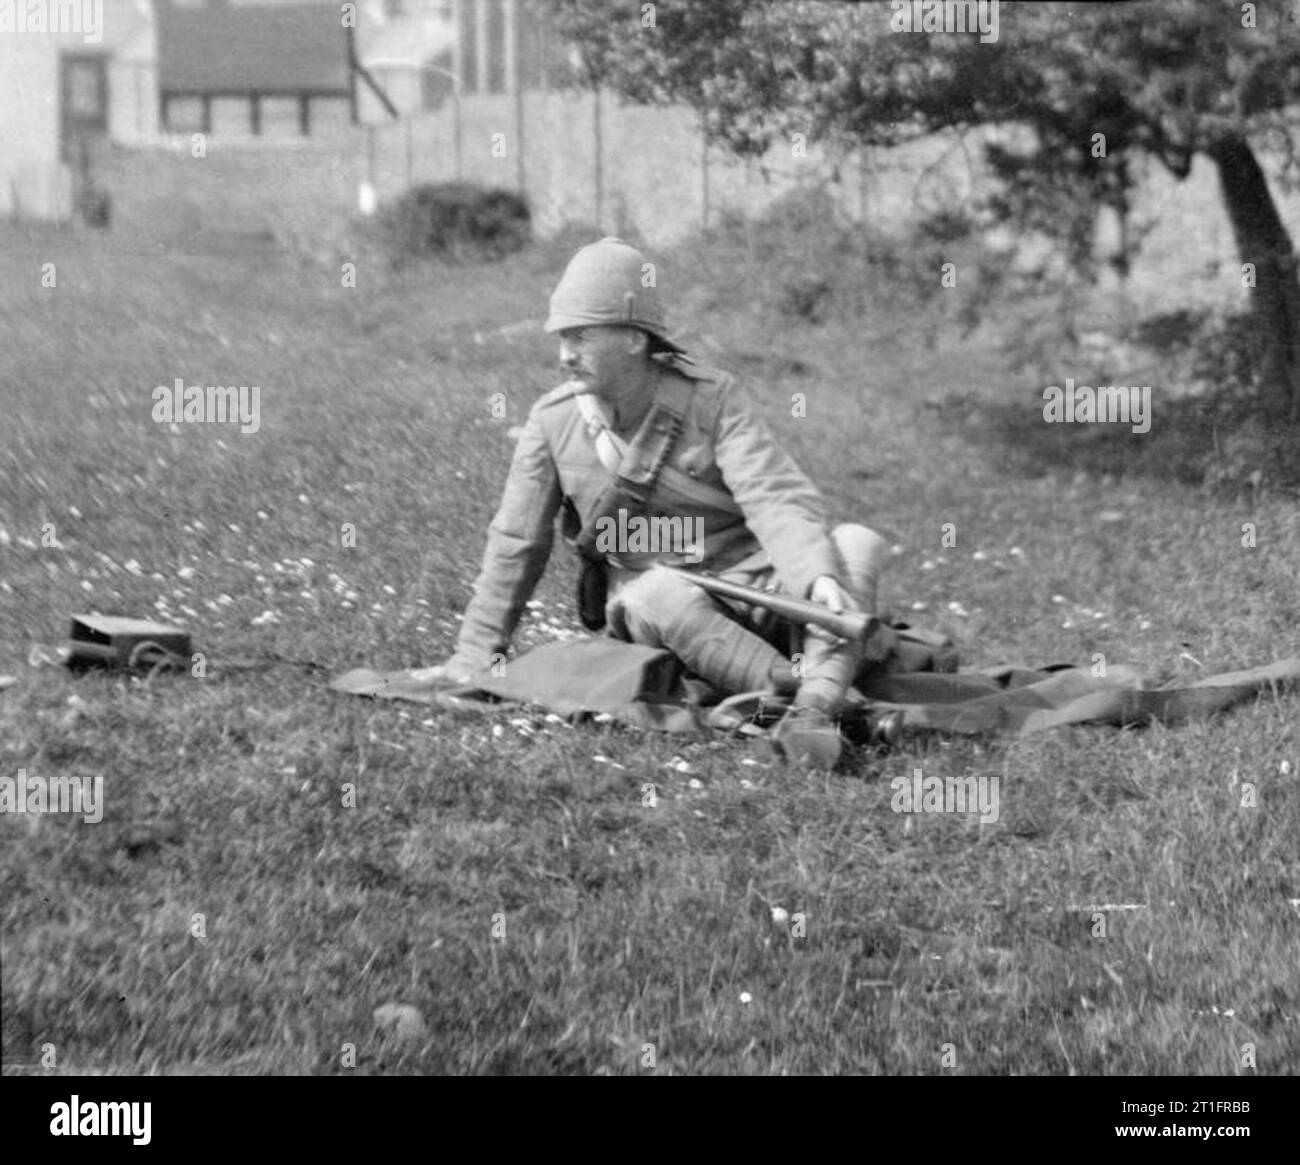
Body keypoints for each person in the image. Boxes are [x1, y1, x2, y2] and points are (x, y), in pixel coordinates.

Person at [427, 237, 890, 769]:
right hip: (659, 601)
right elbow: (516, 543)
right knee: (659, 593)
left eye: (579, 335)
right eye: (560, 337)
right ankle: (834, 701)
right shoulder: (553, 422)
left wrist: (816, 579)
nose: (562, 354)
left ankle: (811, 711)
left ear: (632, 338)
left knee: (854, 545)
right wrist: (474, 657)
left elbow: (774, 495)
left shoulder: (709, 400)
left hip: (749, 581)